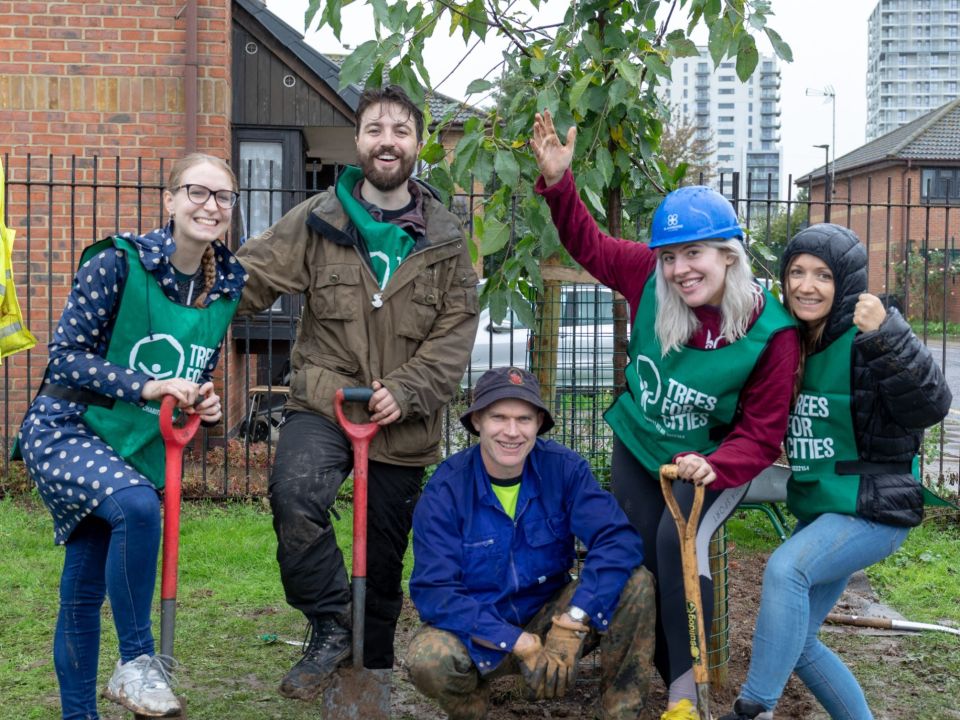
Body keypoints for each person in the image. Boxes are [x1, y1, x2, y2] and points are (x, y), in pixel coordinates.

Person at [530, 110, 800, 720]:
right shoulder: (648, 279)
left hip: (708, 464)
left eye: (695, 253)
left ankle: (687, 700)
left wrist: (714, 466)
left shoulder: (770, 332)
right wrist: (559, 184)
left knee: (677, 545)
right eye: (671, 256)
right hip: (640, 442)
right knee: (638, 552)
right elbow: (591, 246)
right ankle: (653, 673)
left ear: (728, 254)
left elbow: (761, 435)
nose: (681, 269)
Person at [235, 84, 479, 699]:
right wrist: (184, 282)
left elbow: (455, 333)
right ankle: (329, 622)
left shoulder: (447, 240)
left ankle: (368, 680)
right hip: (323, 398)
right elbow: (251, 278)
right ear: (359, 141)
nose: (387, 141)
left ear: (418, 144)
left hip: (403, 420)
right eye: (375, 129)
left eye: (400, 130)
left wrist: (408, 387)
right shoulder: (319, 220)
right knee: (295, 496)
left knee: (384, 555)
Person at [14, 153, 247, 719]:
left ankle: (79, 715)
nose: (209, 206)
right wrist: (146, 387)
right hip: (66, 427)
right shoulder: (118, 263)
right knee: (138, 508)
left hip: (130, 444)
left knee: (84, 585)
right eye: (196, 192)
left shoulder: (226, 288)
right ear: (169, 200)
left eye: (222, 197)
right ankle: (137, 662)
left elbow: (192, 372)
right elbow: (65, 360)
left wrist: (204, 399)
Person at [718, 224, 952, 720]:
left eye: (823, 275)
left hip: (873, 506)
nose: (807, 285)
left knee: (787, 569)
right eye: (796, 272)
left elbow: (931, 404)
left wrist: (888, 333)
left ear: (845, 282)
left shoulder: (870, 336)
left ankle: (753, 709)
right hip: (823, 508)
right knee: (797, 643)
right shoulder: (790, 342)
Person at [406, 366, 656, 720]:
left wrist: (573, 617)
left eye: (524, 419)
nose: (512, 431)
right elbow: (435, 593)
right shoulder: (446, 490)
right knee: (429, 659)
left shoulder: (564, 470)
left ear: (539, 422)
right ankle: (474, 708)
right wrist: (516, 642)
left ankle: (619, 713)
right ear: (477, 421)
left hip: (550, 619)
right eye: (499, 418)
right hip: (480, 629)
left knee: (636, 583)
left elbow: (618, 540)